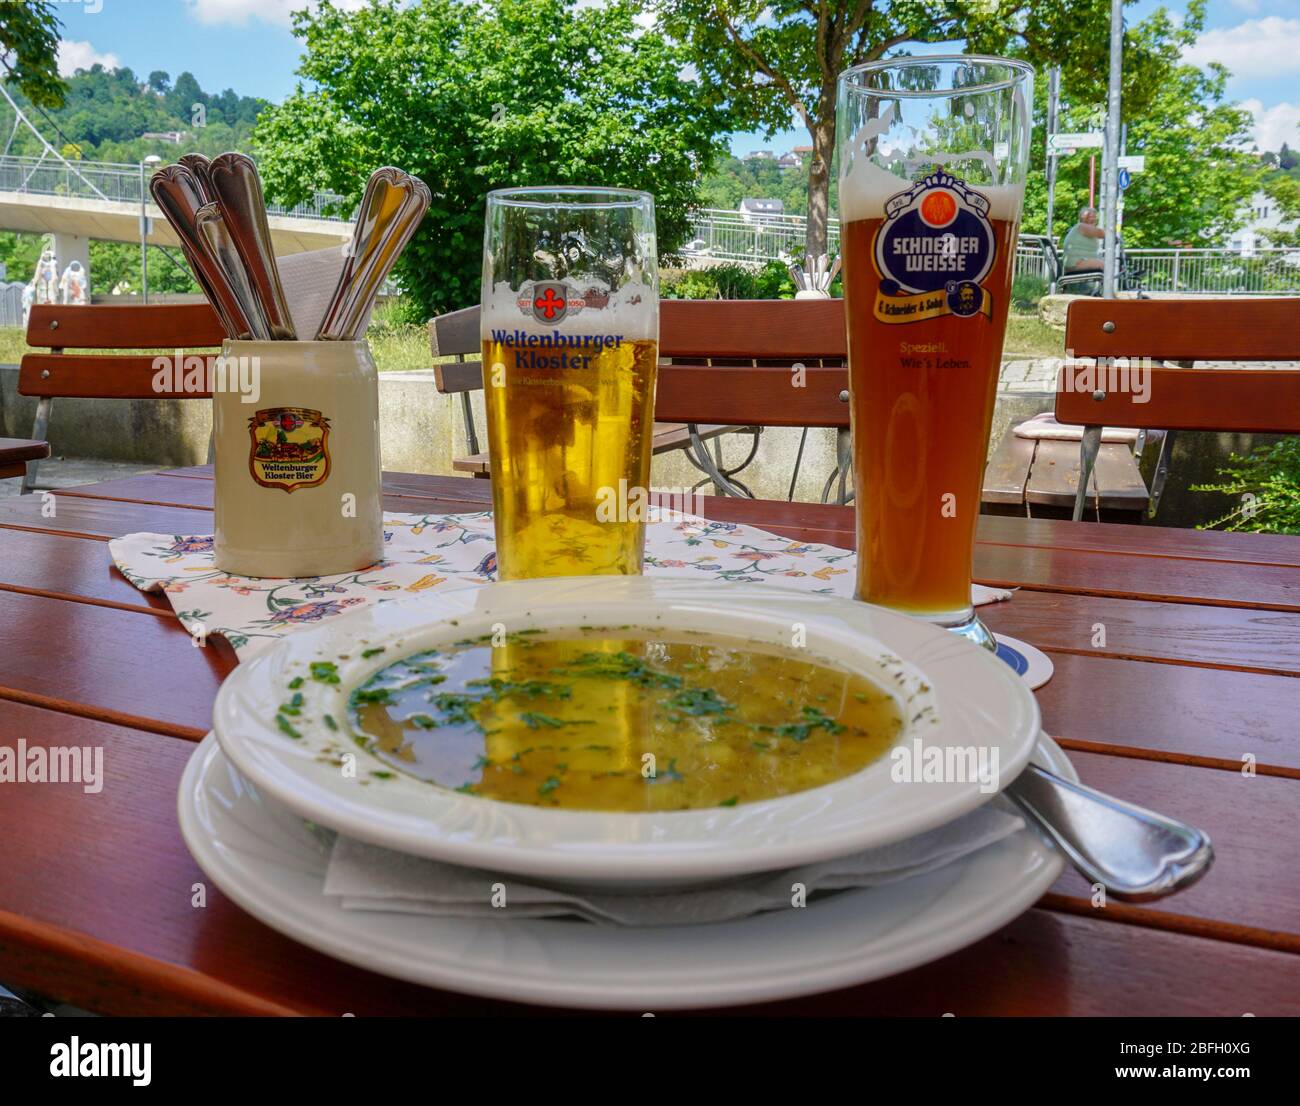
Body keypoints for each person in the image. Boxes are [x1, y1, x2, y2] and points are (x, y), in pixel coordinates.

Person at [1061, 206, 1105, 274]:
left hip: (1078, 262)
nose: (1093, 219)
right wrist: (1112, 236)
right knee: (1106, 266)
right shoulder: (1081, 227)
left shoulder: (1085, 230)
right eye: (1090, 217)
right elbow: (1101, 233)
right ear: (1083, 217)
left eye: (1094, 217)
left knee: (1104, 264)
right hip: (1076, 263)